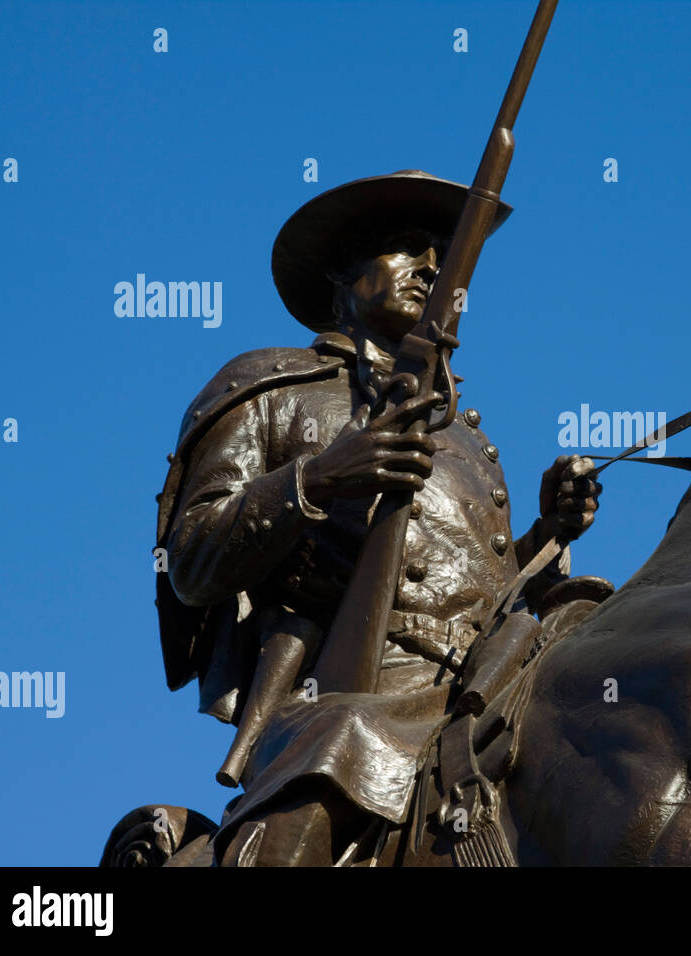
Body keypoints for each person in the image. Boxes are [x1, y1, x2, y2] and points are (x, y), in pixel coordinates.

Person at [155, 170, 602, 865]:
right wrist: (320, 478)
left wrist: (549, 534)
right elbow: (191, 560)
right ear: (344, 271)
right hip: (352, 695)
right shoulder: (272, 386)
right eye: (405, 247)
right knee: (339, 746)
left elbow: (483, 590)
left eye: (438, 256)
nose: (430, 267)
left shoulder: (466, 438)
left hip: (490, 685)